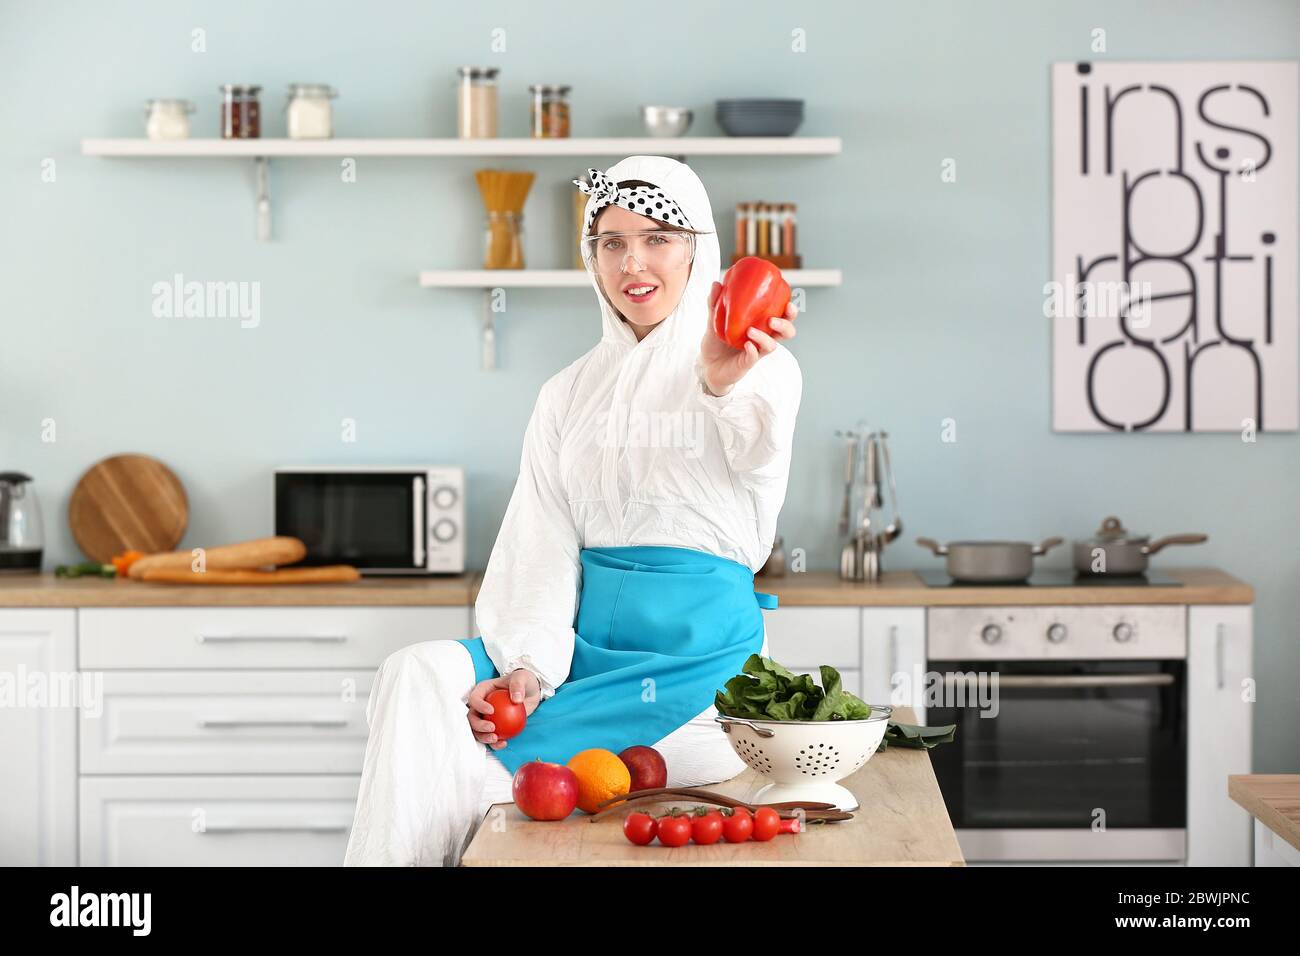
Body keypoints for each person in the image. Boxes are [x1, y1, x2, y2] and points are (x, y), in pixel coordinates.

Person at [344, 155, 802, 866]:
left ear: (697, 249)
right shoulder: (566, 394)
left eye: (657, 238)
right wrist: (527, 669)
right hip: (579, 651)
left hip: (694, 670)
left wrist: (720, 384)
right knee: (414, 675)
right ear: (590, 257)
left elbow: (761, 455)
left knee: (466, 769)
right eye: (611, 242)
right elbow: (543, 541)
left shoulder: (754, 362)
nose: (633, 262)